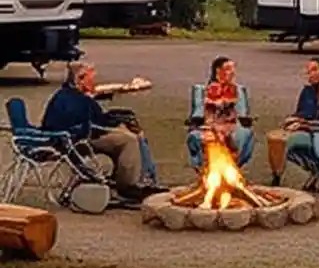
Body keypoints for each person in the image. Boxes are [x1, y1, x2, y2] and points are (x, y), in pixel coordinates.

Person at [40, 61, 164, 201]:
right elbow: (94, 123)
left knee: (127, 133)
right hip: (76, 140)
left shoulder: (66, 94)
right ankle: (128, 185)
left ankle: (142, 178)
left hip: (71, 136)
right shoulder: (77, 100)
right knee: (128, 140)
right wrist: (115, 122)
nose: (94, 82)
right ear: (80, 80)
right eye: (90, 79)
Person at [268, 58, 319, 188]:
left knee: (286, 141)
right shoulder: (307, 91)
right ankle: (277, 175)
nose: (310, 74)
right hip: (306, 130)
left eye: (314, 70)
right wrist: (293, 119)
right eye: (308, 71)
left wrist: (303, 124)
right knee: (276, 139)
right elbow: (303, 112)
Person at [187, 55, 254, 170]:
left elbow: (240, 115)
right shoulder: (208, 91)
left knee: (245, 134)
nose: (232, 72)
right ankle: (208, 171)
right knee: (197, 137)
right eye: (228, 69)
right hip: (210, 125)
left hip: (232, 126)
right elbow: (203, 116)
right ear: (218, 71)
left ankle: (232, 169)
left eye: (233, 69)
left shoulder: (236, 90)